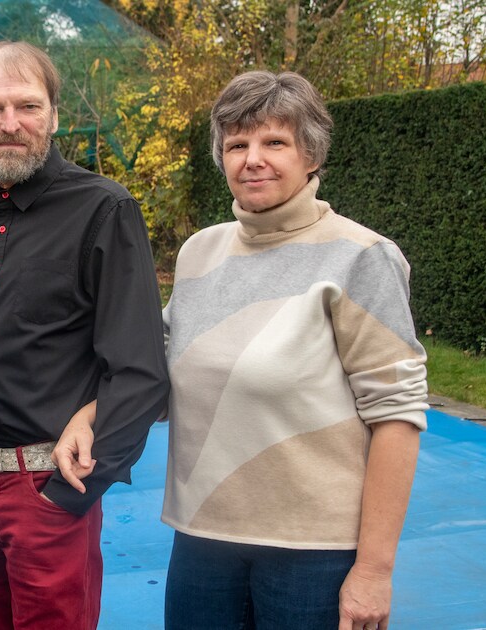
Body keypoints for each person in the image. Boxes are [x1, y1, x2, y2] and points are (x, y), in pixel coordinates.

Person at [0, 41, 170, 630]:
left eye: (27, 106)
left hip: (46, 493)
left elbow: (139, 369)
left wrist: (71, 494)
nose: (9, 124)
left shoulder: (104, 210)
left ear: (54, 114)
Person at [161, 70, 428, 630]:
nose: (252, 159)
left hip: (315, 554)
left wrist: (374, 570)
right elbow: (157, 375)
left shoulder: (362, 257)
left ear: (311, 155)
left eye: (274, 142)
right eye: (237, 144)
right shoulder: (198, 253)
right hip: (202, 539)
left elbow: (398, 415)